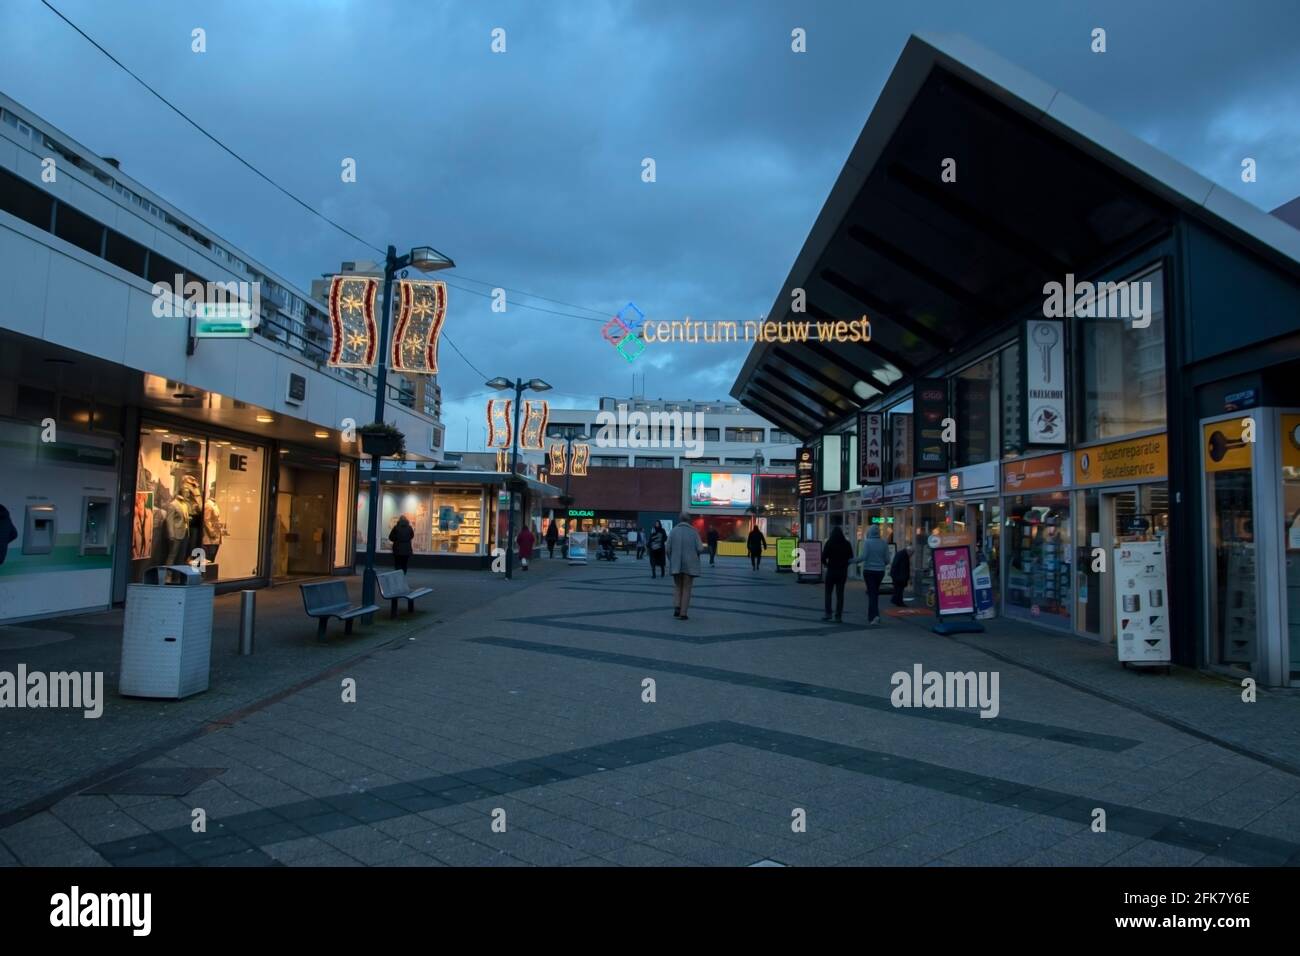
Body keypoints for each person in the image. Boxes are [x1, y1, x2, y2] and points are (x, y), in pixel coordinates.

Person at [666, 514, 707, 620]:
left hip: (676, 564)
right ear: (689, 520)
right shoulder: (694, 532)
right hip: (690, 564)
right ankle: (683, 613)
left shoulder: (673, 531)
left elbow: (667, 548)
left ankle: (677, 606)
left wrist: (672, 559)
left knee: (678, 586)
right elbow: (700, 548)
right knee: (687, 588)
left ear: (680, 519)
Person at [821, 516, 855, 623]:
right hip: (842, 572)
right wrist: (845, 565)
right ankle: (838, 616)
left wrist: (826, 565)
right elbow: (851, 557)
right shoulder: (846, 544)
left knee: (828, 593)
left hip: (831, 571)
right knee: (840, 594)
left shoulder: (829, 543)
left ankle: (828, 613)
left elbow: (823, 557)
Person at [858, 524, 890, 625]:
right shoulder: (884, 543)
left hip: (869, 571)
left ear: (870, 532)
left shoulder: (867, 542)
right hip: (880, 571)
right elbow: (887, 560)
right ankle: (872, 615)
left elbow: (863, 557)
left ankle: (874, 616)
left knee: (872, 594)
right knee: (874, 593)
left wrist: (852, 561)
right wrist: (881, 564)